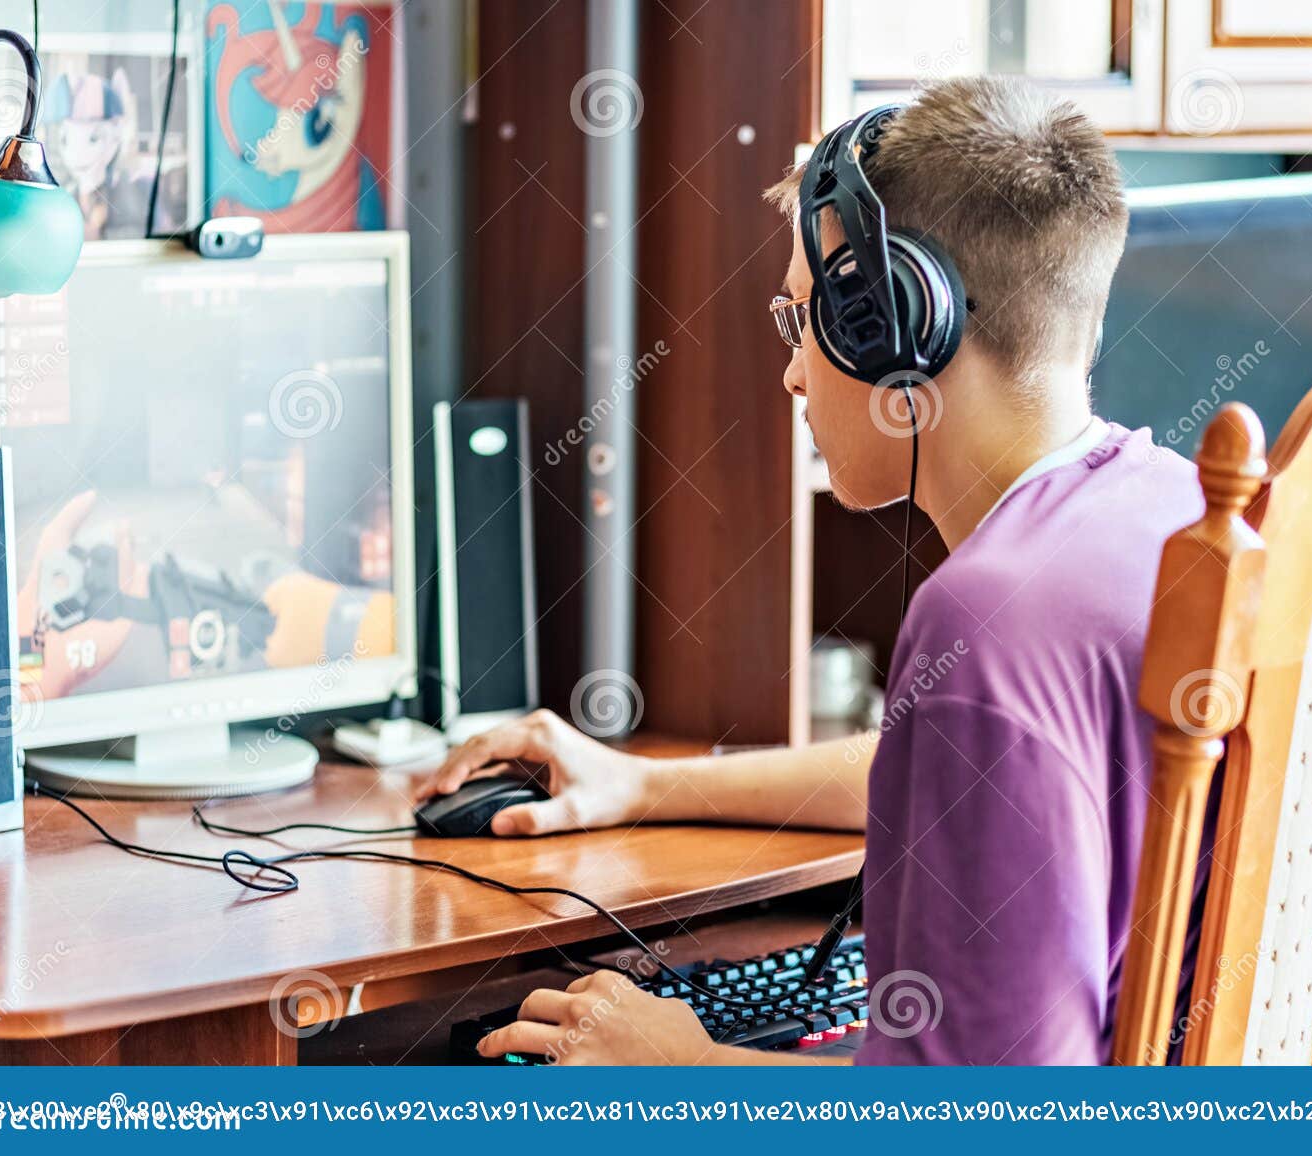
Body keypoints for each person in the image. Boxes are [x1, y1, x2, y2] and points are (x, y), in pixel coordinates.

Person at [417, 76, 1206, 1065]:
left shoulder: (991, 624)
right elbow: (966, 770)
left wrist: (683, 1064)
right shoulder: (1173, 508)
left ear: (896, 325)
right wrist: (641, 784)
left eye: (804, 318)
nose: (793, 372)